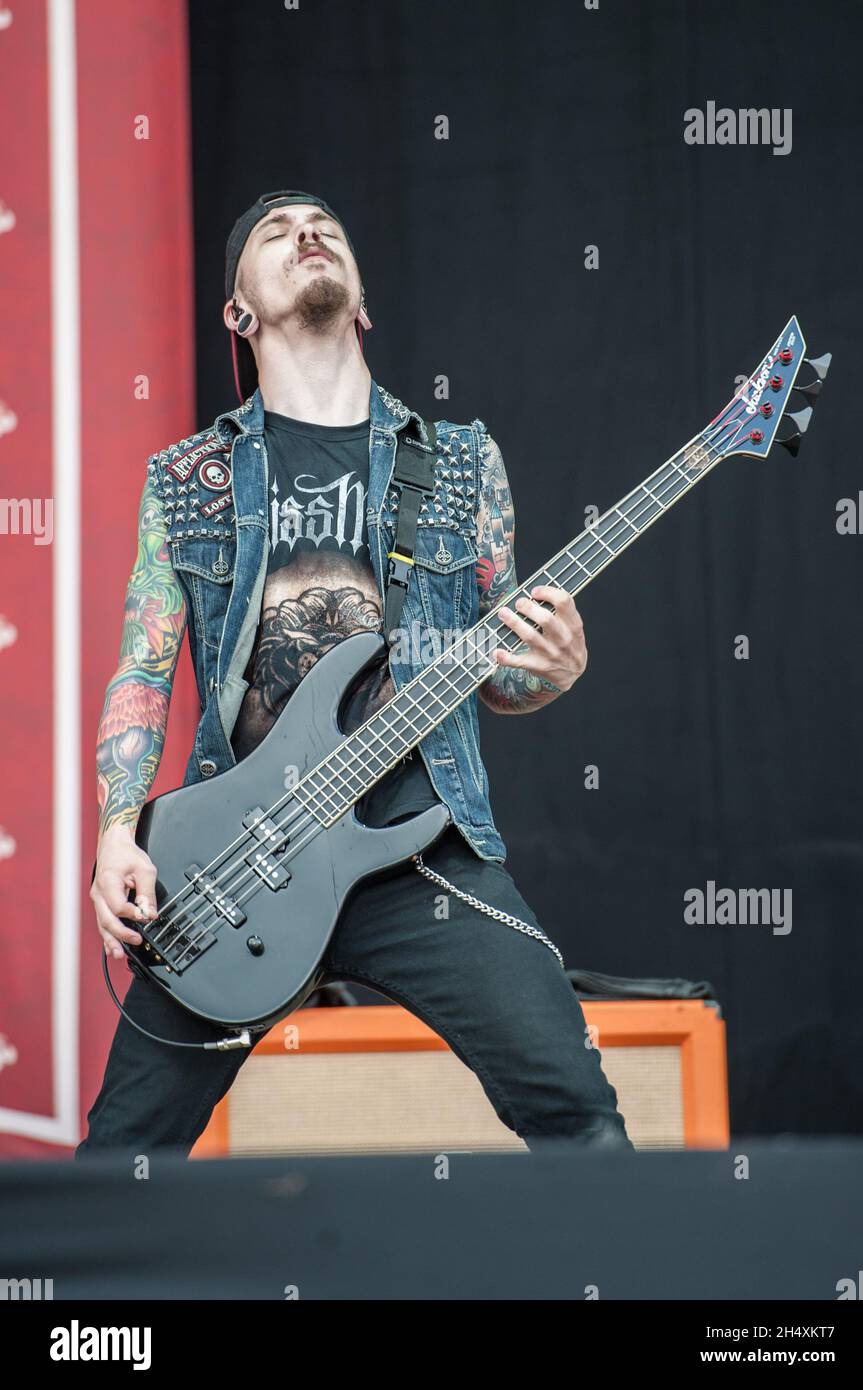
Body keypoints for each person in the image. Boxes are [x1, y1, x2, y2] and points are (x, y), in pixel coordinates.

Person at [77, 190, 634, 1156]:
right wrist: (118, 833)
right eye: (274, 231)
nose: (307, 232)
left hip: (416, 848)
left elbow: (504, 678)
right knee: (122, 1154)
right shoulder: (186, 478)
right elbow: (144, 663)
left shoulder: (460, 462)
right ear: (237, 312)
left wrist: (559, 668)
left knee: (579, 1116)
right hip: (235, 866)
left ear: (363, 298)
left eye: (325, 225)